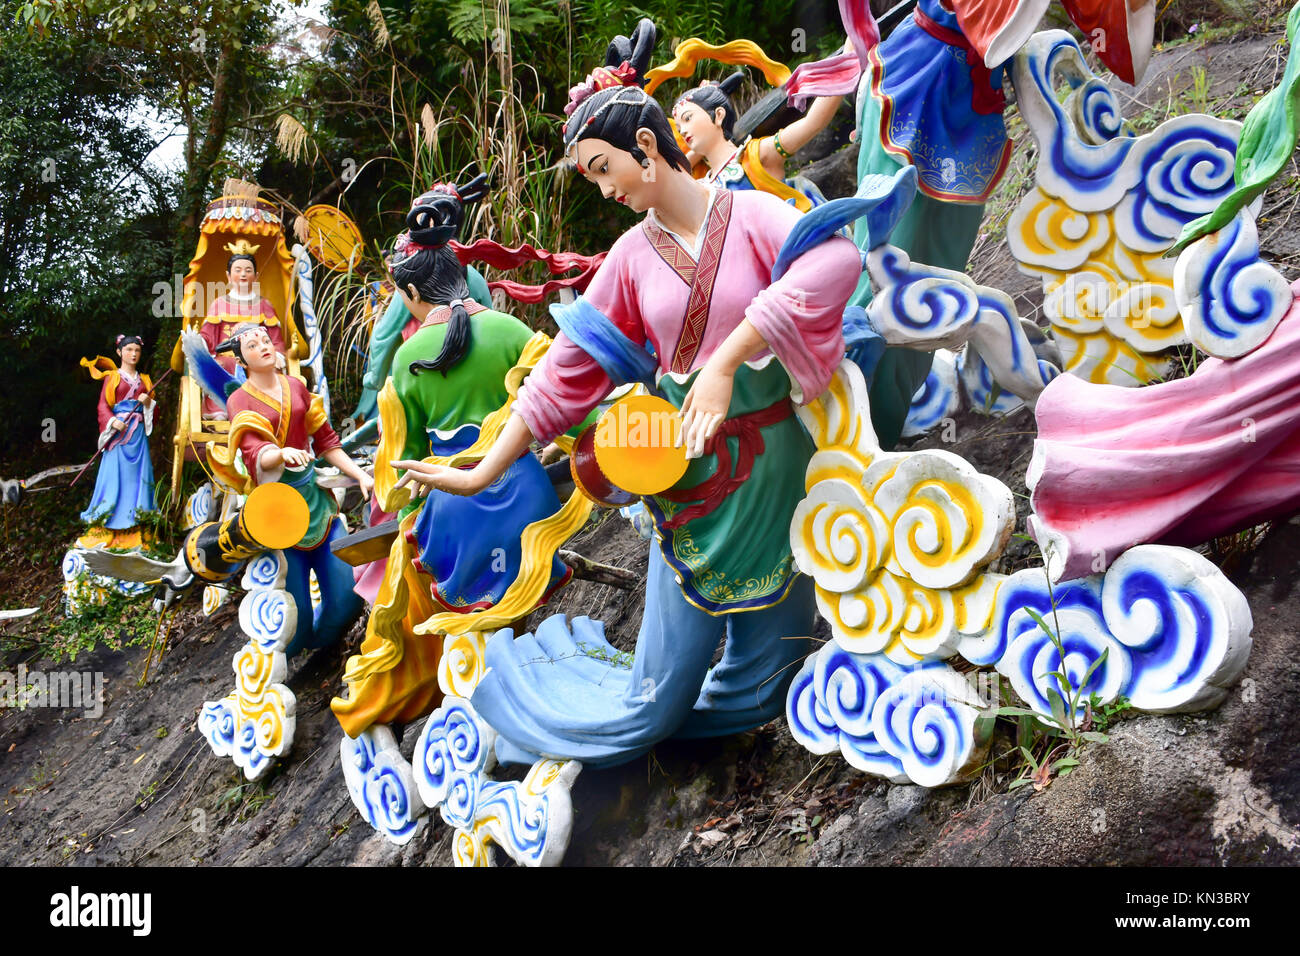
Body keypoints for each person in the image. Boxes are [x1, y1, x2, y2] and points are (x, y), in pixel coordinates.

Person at [394, 20, 861, 769]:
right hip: (692, 485)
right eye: (590, 176)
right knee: (653, 705)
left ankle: (689, 730)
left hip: (783, 476)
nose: (605, 188)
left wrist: (731, 356)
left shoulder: (750, 211)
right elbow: (563, 378)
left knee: (769, 682)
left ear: (647, 145)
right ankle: (533, 710)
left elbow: (837, 260)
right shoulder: (629, 259)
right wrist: (484, 469)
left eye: (604, 167)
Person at [332, 183, 572, 736]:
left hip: (455, 511)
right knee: (519, 604)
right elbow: (562, 402)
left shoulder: (407, 358)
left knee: (442, 598)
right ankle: (533, 694)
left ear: (412, 293)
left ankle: (481, 709)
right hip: (528, 499)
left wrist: (395, 492)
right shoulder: (510, 330)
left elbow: (403, 466)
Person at [209, 322, 373, 656]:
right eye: (253, 345)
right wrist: (279, 453)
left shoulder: (296, 386)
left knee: (346, 595)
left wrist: (359, 475)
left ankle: (323, 647)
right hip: (277, 510)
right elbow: (252, 451)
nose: (263, 347)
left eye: (266, 340)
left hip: (316, 500)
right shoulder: (239, 400)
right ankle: (300, 651)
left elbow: (327, 441)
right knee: (294, 614)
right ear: (241, 360)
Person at [672, 72, 843, 211]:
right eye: (679, 128)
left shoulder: (755, 156)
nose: (684, 130)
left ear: (718, 115)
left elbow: (812, 123)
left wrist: (844, 66)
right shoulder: (703, 186)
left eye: (688, 118)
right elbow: (674, 175)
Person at [78, 335, 157, 548]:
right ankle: (108, 521)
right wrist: (113, 421)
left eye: (137, 350)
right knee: (114, 474)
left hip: (137, 435)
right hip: (118, 435)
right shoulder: (112, 377)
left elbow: (155, 413)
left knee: (138, 477)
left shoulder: (146, 380)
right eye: (129, 349)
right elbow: (103, 405)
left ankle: (137, 521)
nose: (133, 354)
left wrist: (148, 402)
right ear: (119, 352)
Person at [199, 240, 288, 416]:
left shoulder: (264, 305)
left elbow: (275, 339)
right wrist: (199, 342)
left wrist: (277, 354)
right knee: (222, 365)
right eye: (237, 270)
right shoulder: (219, 304)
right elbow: (208, 336)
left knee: (269, 368)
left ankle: (269, 411)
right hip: (228, 357)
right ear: (228, 276)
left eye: (248, 271)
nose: (243, 275)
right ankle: (220, 410)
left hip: (257, 356)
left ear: (255, 276)